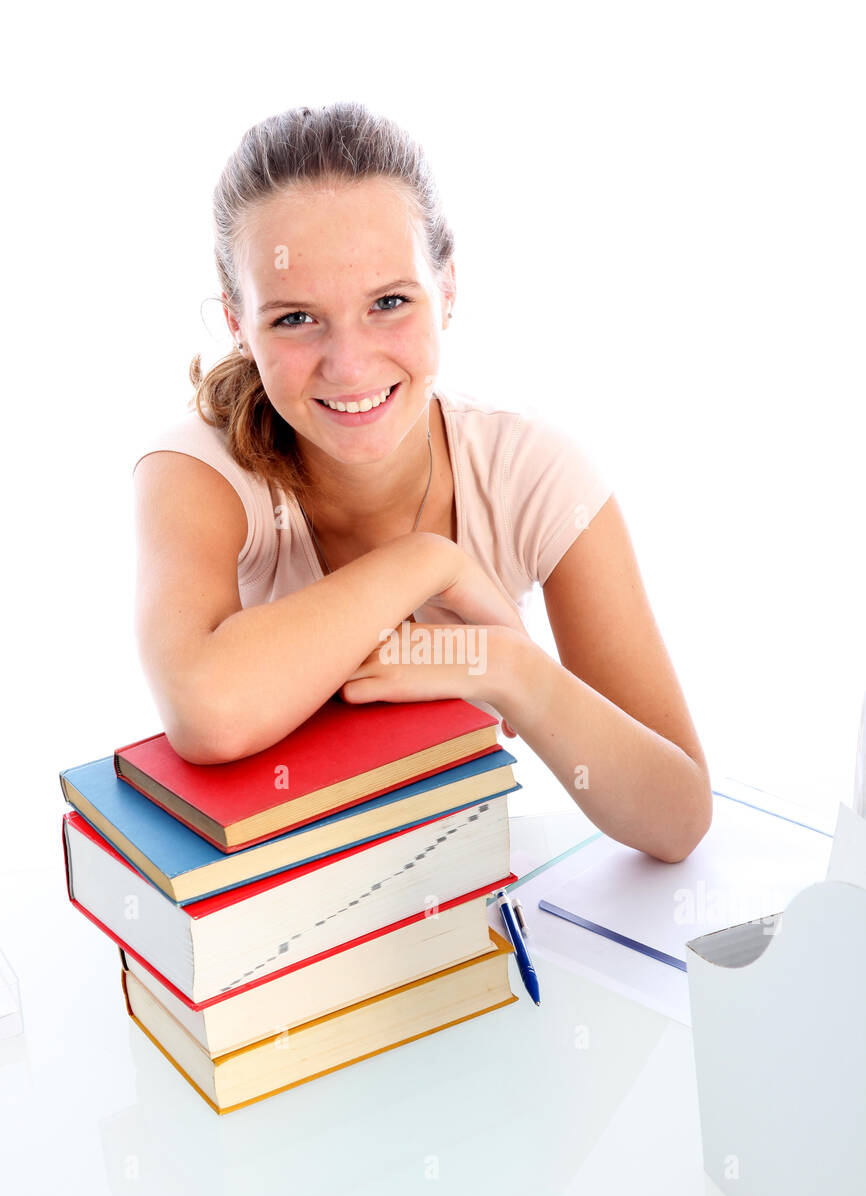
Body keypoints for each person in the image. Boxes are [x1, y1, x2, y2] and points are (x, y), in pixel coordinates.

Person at [133, 101, 712, 863]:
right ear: (237, 320)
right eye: (296, 319)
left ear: (446, 288)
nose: (350, 365)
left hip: (444, 901)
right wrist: (429, 562)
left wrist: (510, 669)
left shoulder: (531, 470)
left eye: (389, 303)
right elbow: (208, 711)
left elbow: (676, 820)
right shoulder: (197, 472)